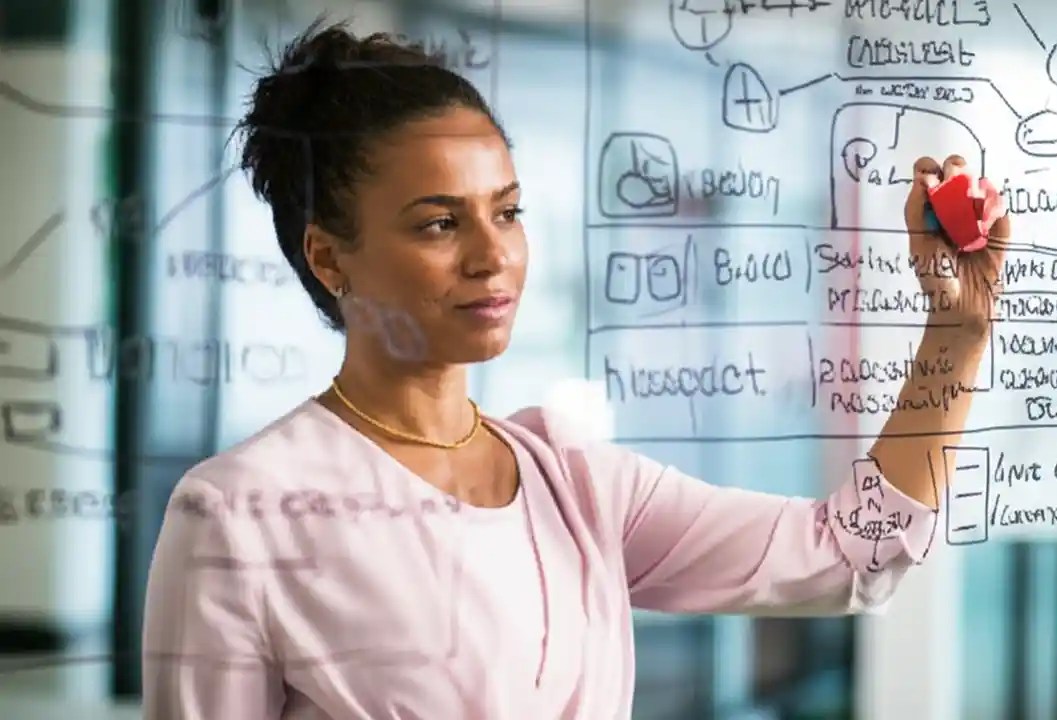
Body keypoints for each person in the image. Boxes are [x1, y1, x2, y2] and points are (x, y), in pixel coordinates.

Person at [140, 17, 1010, 720]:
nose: (494, 256)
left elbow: (856, 554)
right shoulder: (238, 513)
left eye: (507, 212)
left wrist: (955, 334)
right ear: (330, 257)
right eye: (439, 223)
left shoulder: (579, 490)